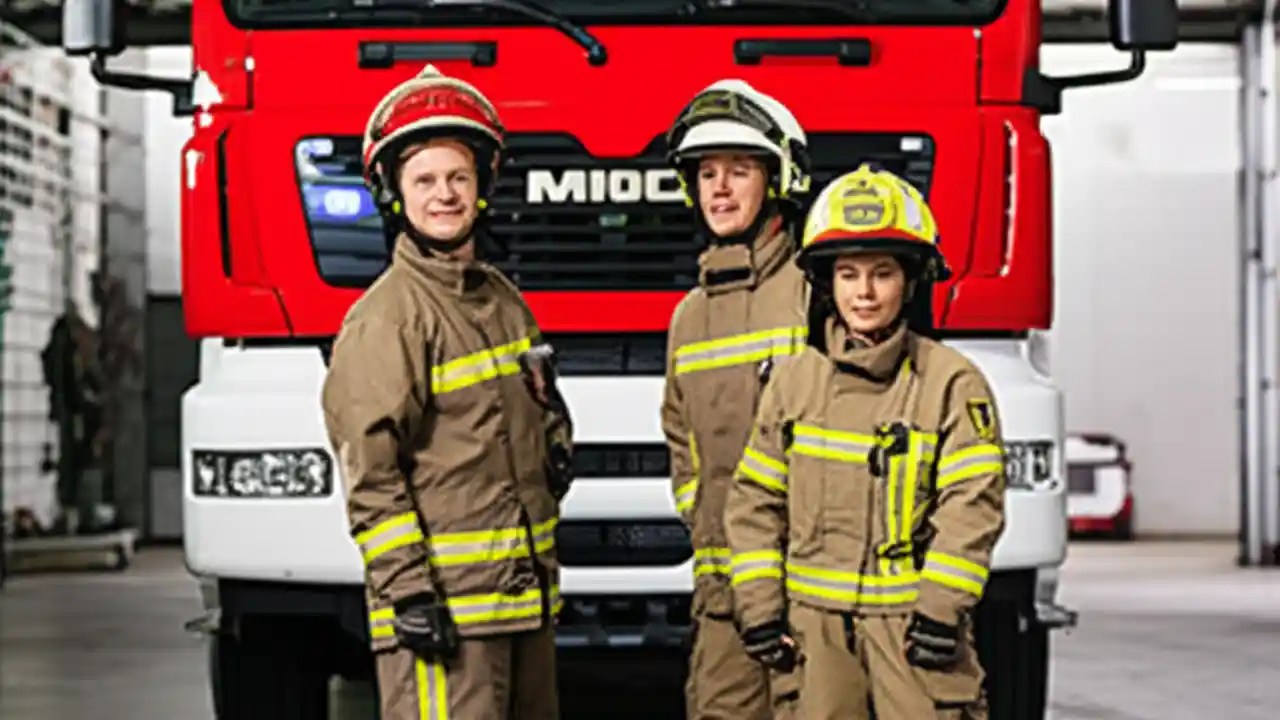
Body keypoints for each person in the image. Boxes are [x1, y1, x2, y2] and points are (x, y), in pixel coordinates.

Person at [321, 64, 574, 720]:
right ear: (395, 194)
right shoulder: (388, 319)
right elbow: (371, 474)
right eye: (425, 180)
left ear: (482, 185)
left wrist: (554, 449)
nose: (445, 195)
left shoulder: (503, 302)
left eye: (459, 177)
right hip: (443, 614)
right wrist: (408, 593)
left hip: (522, 603)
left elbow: (542, 420)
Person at [724, 163, 1007, 719]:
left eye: (883, 273)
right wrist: (759, 607)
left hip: (913, 633)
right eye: (849, 274)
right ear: (828, 284)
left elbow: (972, 507)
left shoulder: (951, 382)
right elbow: (755, 501)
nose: (865, 292)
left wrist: (940, 609)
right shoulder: (793, 382)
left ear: (911, 280)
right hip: (815, 634)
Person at [660, 78, 811, 720]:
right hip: (724, 596)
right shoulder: (689, 317)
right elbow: (682, 446)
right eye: (707, 174)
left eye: (739, 171)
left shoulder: (815, 293)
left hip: (812, 592)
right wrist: (709, 533)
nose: (719, 189)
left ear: (778, 179)